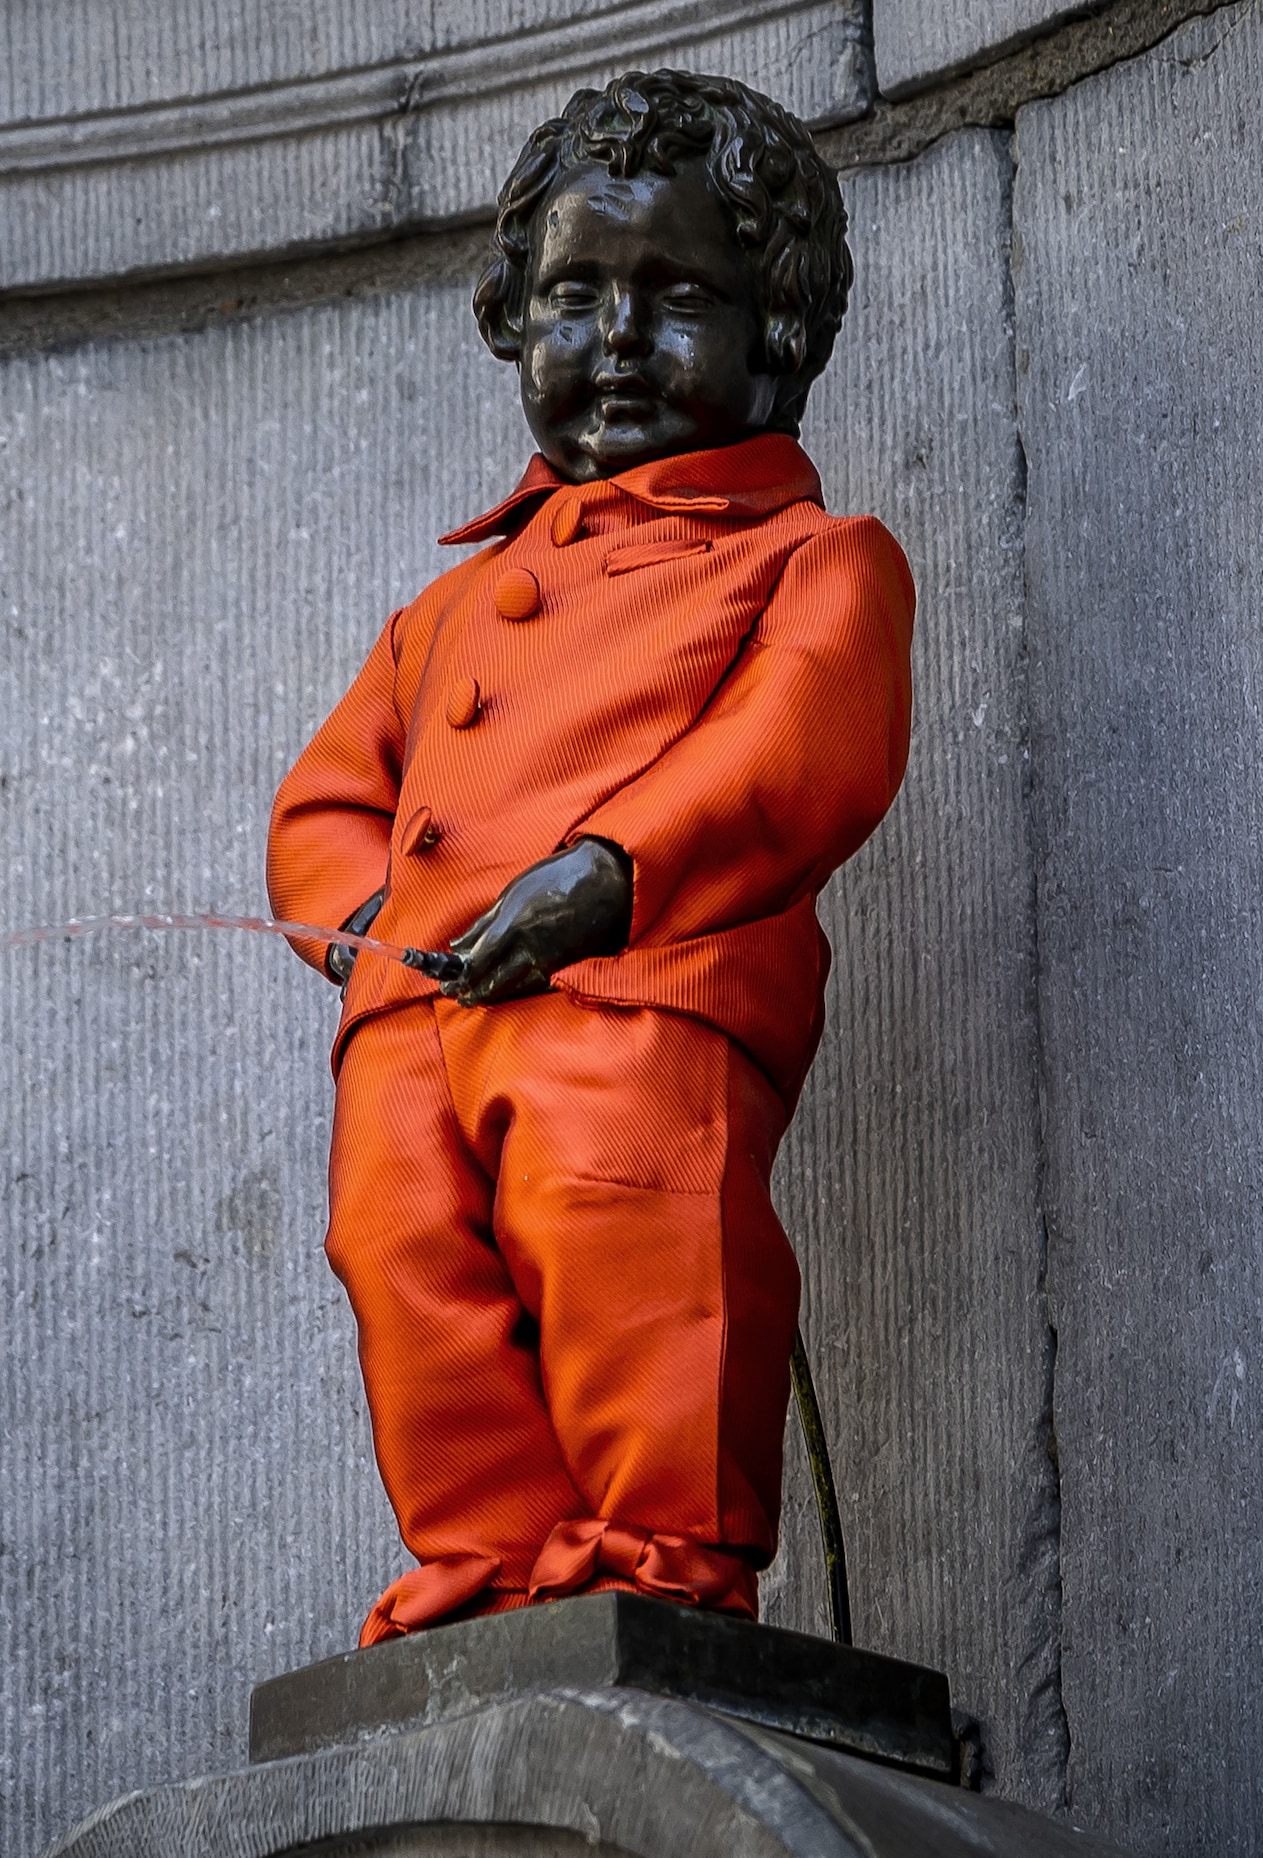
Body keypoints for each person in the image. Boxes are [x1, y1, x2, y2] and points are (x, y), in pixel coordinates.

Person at [267, 68, 915, 1647]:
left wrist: (610, 874)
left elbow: (797, 757)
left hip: (643, 996)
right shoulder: (450, 613)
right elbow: (323, 801)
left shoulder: (813, 561)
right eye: (575, 295)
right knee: (404, 1249)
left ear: (778, 329)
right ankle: (484, 1556)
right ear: (512, 318)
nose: (616, 339)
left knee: (633, 1230)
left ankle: (661, 1556)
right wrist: (363, 923)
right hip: (422, 1014)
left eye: (677, 294)